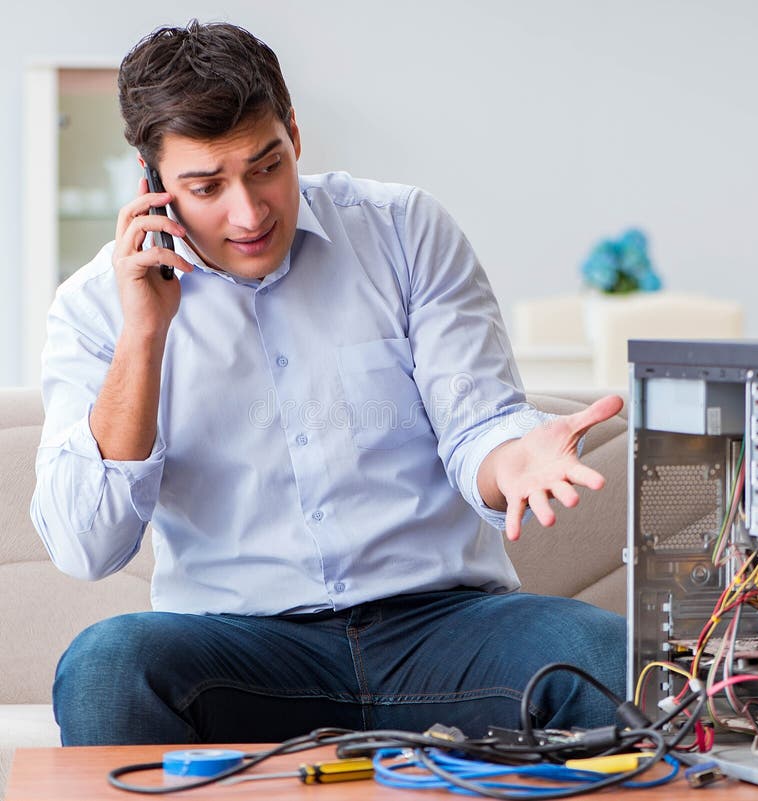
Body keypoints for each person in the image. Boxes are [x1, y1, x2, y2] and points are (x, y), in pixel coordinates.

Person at [31, 20, 626, 747]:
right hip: (241, 648)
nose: (248, 212)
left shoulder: (404, 231)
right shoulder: (96, 305)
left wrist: (516, 458)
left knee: (609, 659)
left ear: (295, 136)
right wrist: (145, 336)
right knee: (105, 667)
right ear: (152, 185)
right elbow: (87, 546)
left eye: (265, 166)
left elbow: (478, 425)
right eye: (207, 186)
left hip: (441, 629)